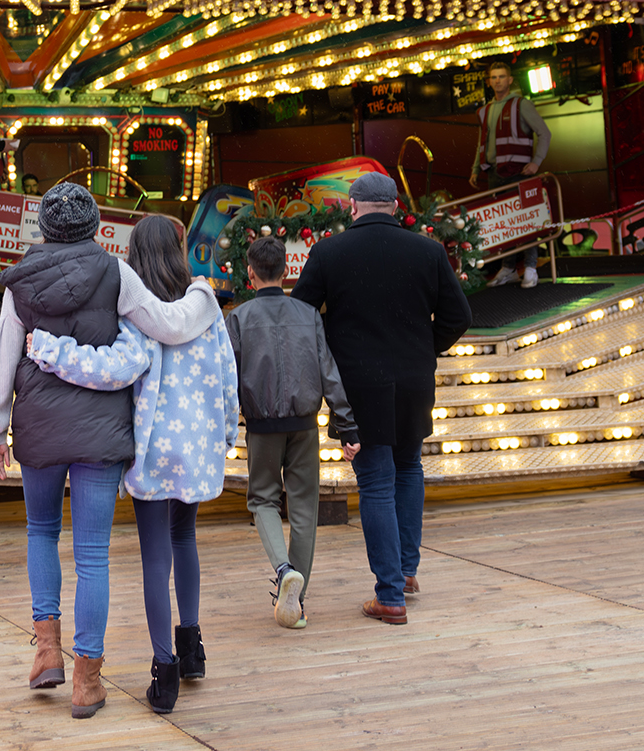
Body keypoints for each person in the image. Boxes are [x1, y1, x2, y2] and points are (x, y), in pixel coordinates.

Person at [0, 184, 219, 720]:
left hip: (38, 428)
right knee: (92, 554)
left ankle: (46, 652)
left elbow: (2, 356)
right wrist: (203, 295)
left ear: (45, 229)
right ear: (94, 229)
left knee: (41, 531)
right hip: (101, 435)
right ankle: (87, 681)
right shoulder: (117, 275)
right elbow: (169, 326)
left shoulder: (20, 282)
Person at [292, 173, 471, 625]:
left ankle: (389, 594)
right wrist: (424, 347)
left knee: (374, 482)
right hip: (414, 379)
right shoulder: (428, 250)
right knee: (409, 467)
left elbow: (300, 313)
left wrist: (327, 354)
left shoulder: (329, 251)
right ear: (395, 206)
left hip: (358, 384)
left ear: (352, 207)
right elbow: (459, 316)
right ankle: (406, 573)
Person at [228, 236, 359, 631]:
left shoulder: (238, 317)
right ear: (287, 271)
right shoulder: (308, 314)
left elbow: (227, 376)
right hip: (305, 425)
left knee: (263, 500)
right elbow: (327, 371)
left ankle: (283, 569)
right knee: (305, 510)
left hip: (262, 426)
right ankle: (296, 604)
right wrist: (347, 424)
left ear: (250, 273)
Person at [472, 59, 552, 287]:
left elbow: (545, 133)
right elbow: (482, 142)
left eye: (501, 76)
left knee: (528, 220)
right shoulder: (485, 110)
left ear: (510, 80)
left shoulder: (522, 104)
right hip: (495, 174)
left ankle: (530, 268)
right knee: (502, 223)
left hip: (522, 172)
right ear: (489, 82)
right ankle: (508, 269)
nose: (497, 81)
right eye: (494, 77)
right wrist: (476, 169)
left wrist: (537, 162)